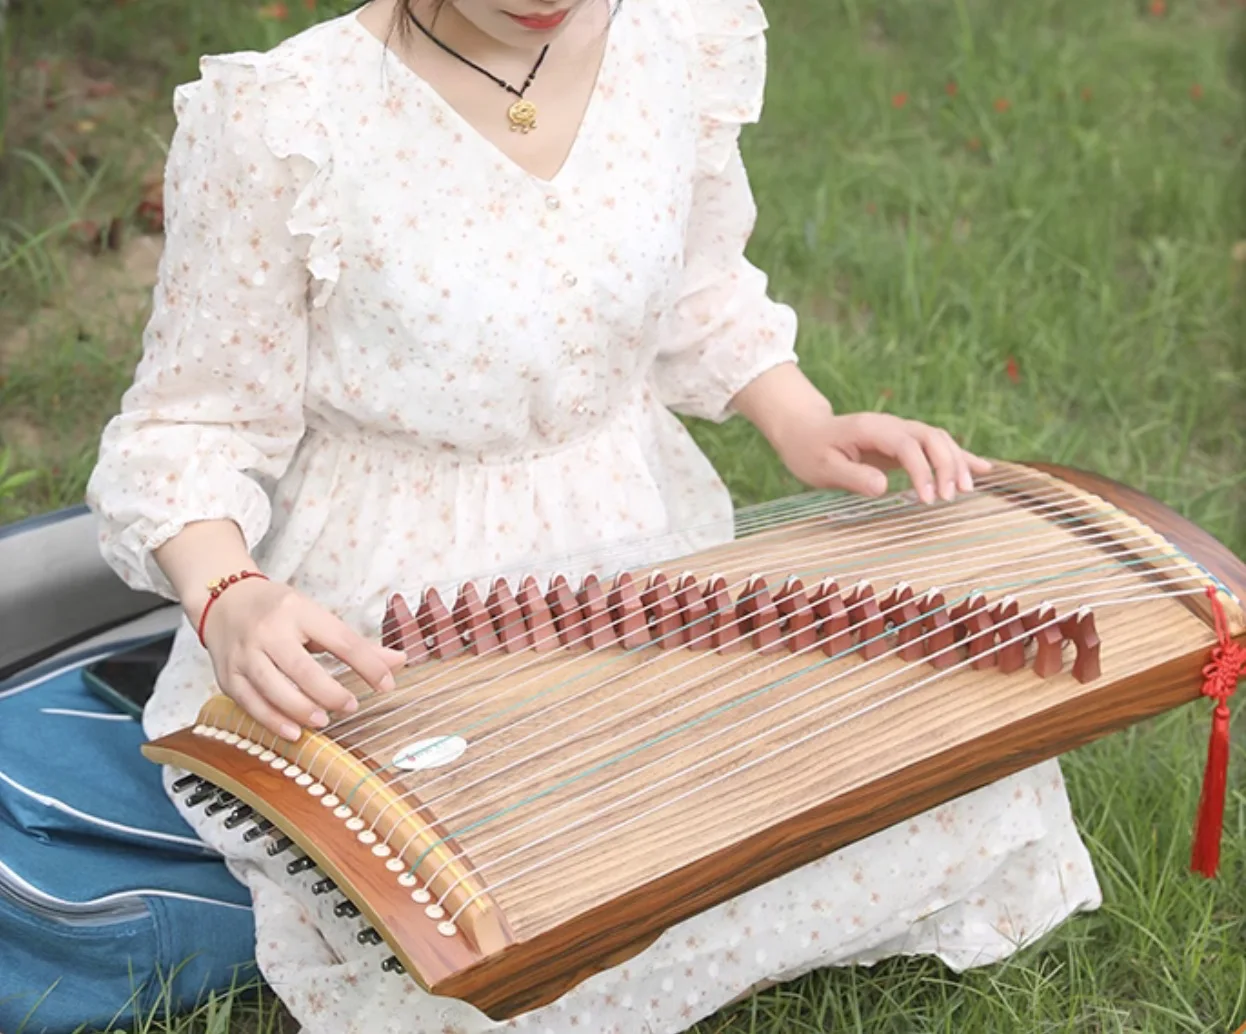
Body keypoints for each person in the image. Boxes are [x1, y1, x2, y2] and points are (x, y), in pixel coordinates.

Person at [85, 0, 1102, 1030]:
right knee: (486, 938)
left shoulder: (672, 43)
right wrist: (230, 592)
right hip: (394, 596)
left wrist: (800, 417)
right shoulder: (287, 118)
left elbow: (695, 286)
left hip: (641, 539)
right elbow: (189, 420)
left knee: (947, 778)